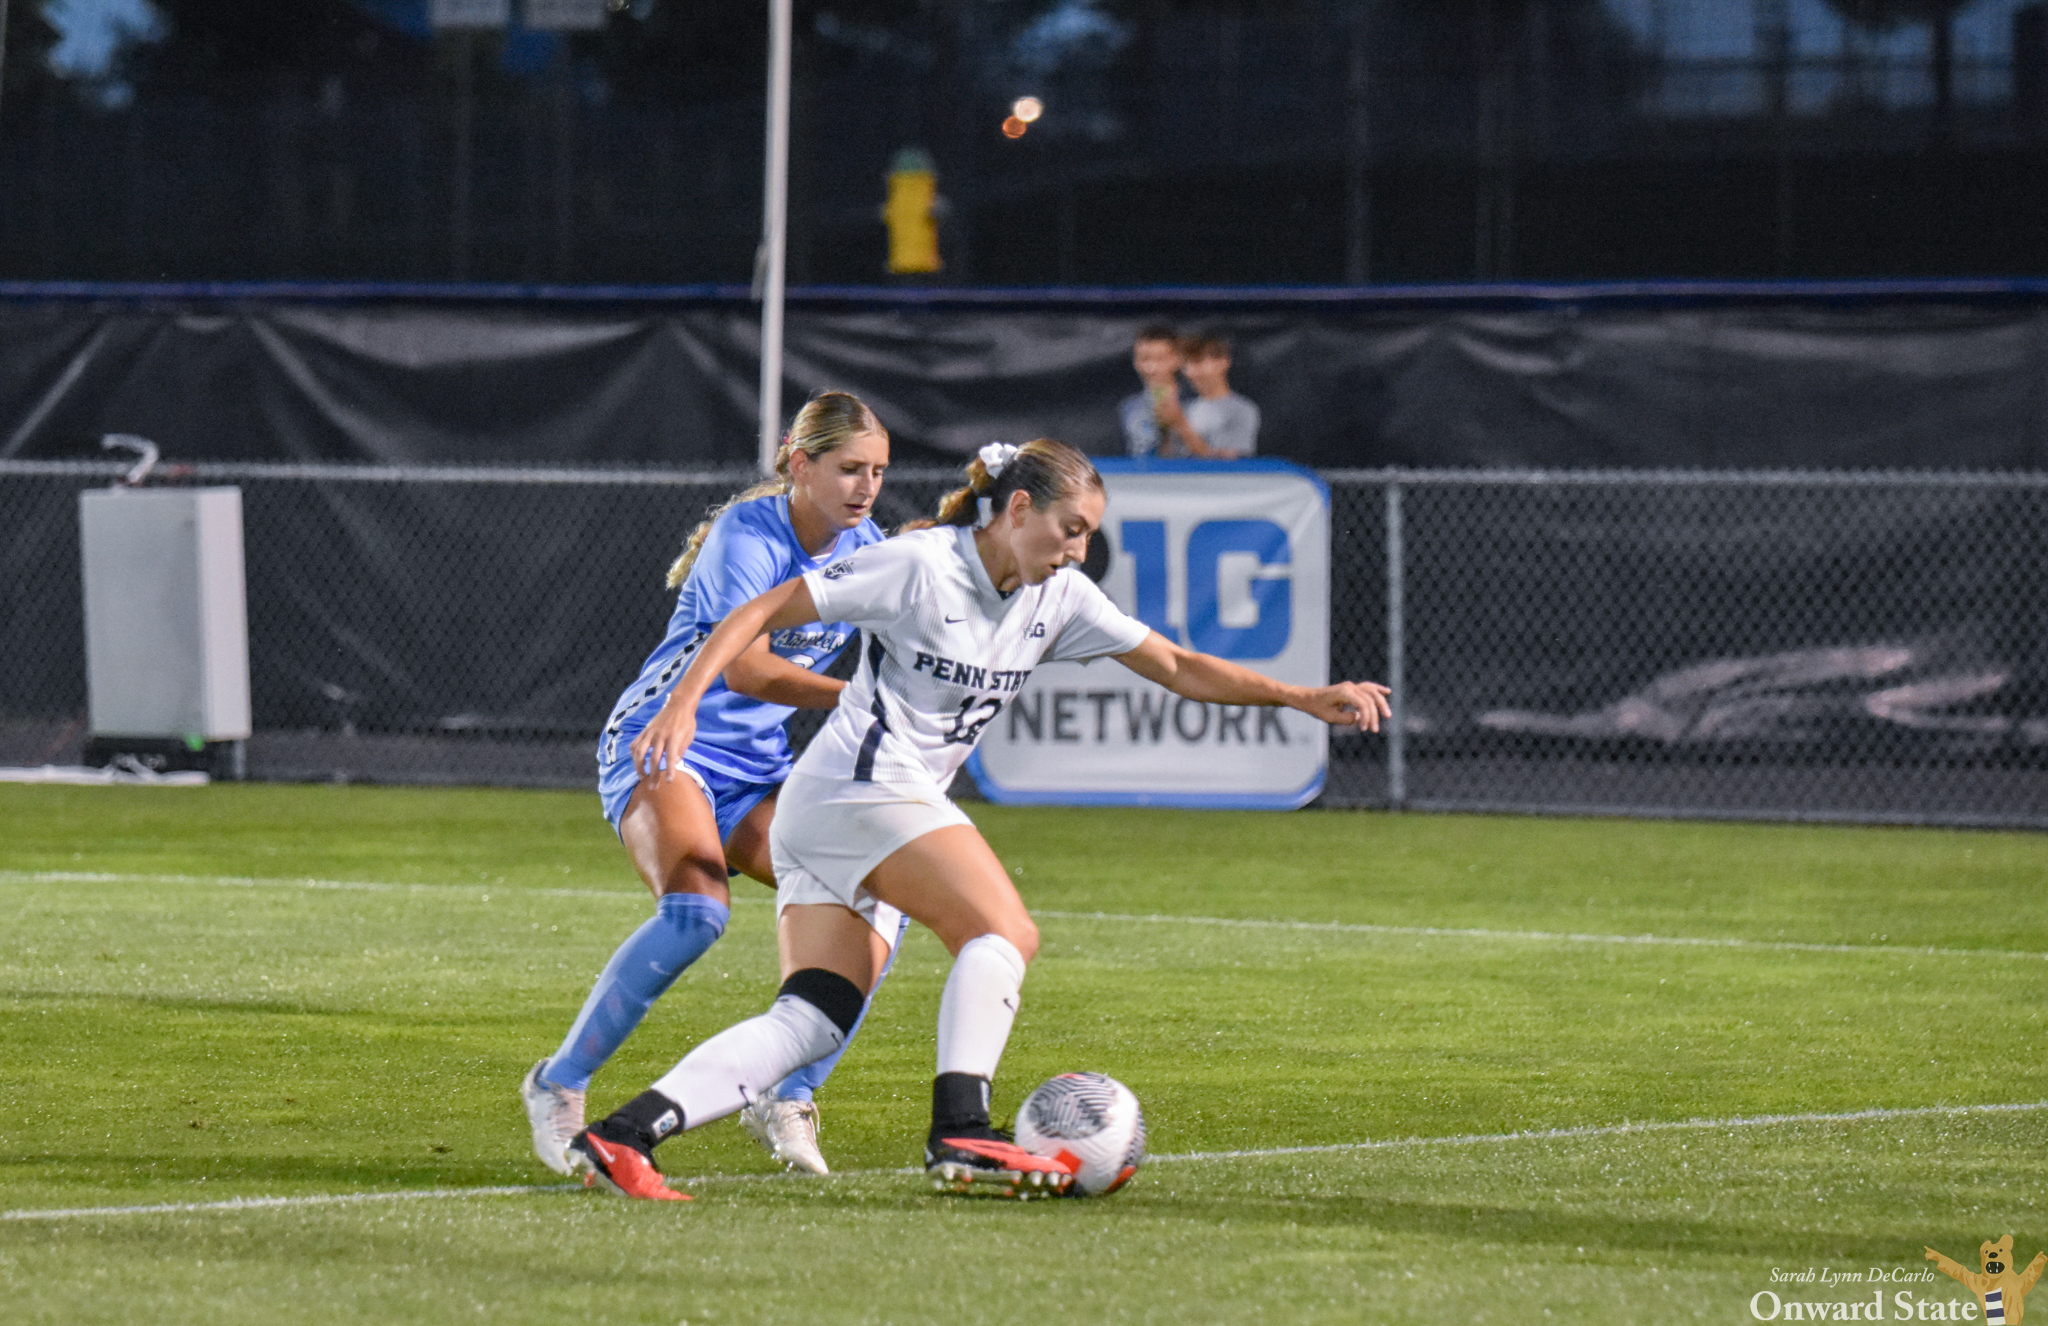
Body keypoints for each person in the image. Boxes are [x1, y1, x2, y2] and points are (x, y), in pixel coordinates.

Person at [564, 438, 1392, 1202]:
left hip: (833, 809)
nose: (1078, 550)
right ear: (1018, 510)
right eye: (1070, 529)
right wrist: (680, 705)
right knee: (1005, 932)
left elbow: (1175, 664)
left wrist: (1300, 697)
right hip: (863, 789)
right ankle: (960, 1130)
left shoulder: (1060, 598)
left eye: (1088, 536)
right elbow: (761, 611)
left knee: (812, 1018)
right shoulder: (920, 565)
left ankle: (625, 1134)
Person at [520, 390, 900, 1180]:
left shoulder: (869, 544)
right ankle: (558, 1083)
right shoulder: (750, 534)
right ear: (800, 465)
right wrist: (859, 698)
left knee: (879, 899)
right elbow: (749, 668)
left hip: (757, 770)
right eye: (848, 468)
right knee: (697, 913)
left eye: (879, 472)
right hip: (665, 744)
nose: (866, 488)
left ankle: (788, 1095)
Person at [1178, 334, 1261, 458]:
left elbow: (1225, 465)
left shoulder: (1242, 410)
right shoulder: (1185, 408)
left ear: (1222, 362)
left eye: (1197, 362)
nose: (1191, 372)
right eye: (1186, 364)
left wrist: (1180, 424)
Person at [1119, 323, 1190, 459]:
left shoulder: (1196, 404)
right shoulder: (1129, 408)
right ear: (1136, 362)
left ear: (1177, 359)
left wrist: (1179, 423)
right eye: (1144, 359)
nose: (1151, 368)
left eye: (1160, 359)